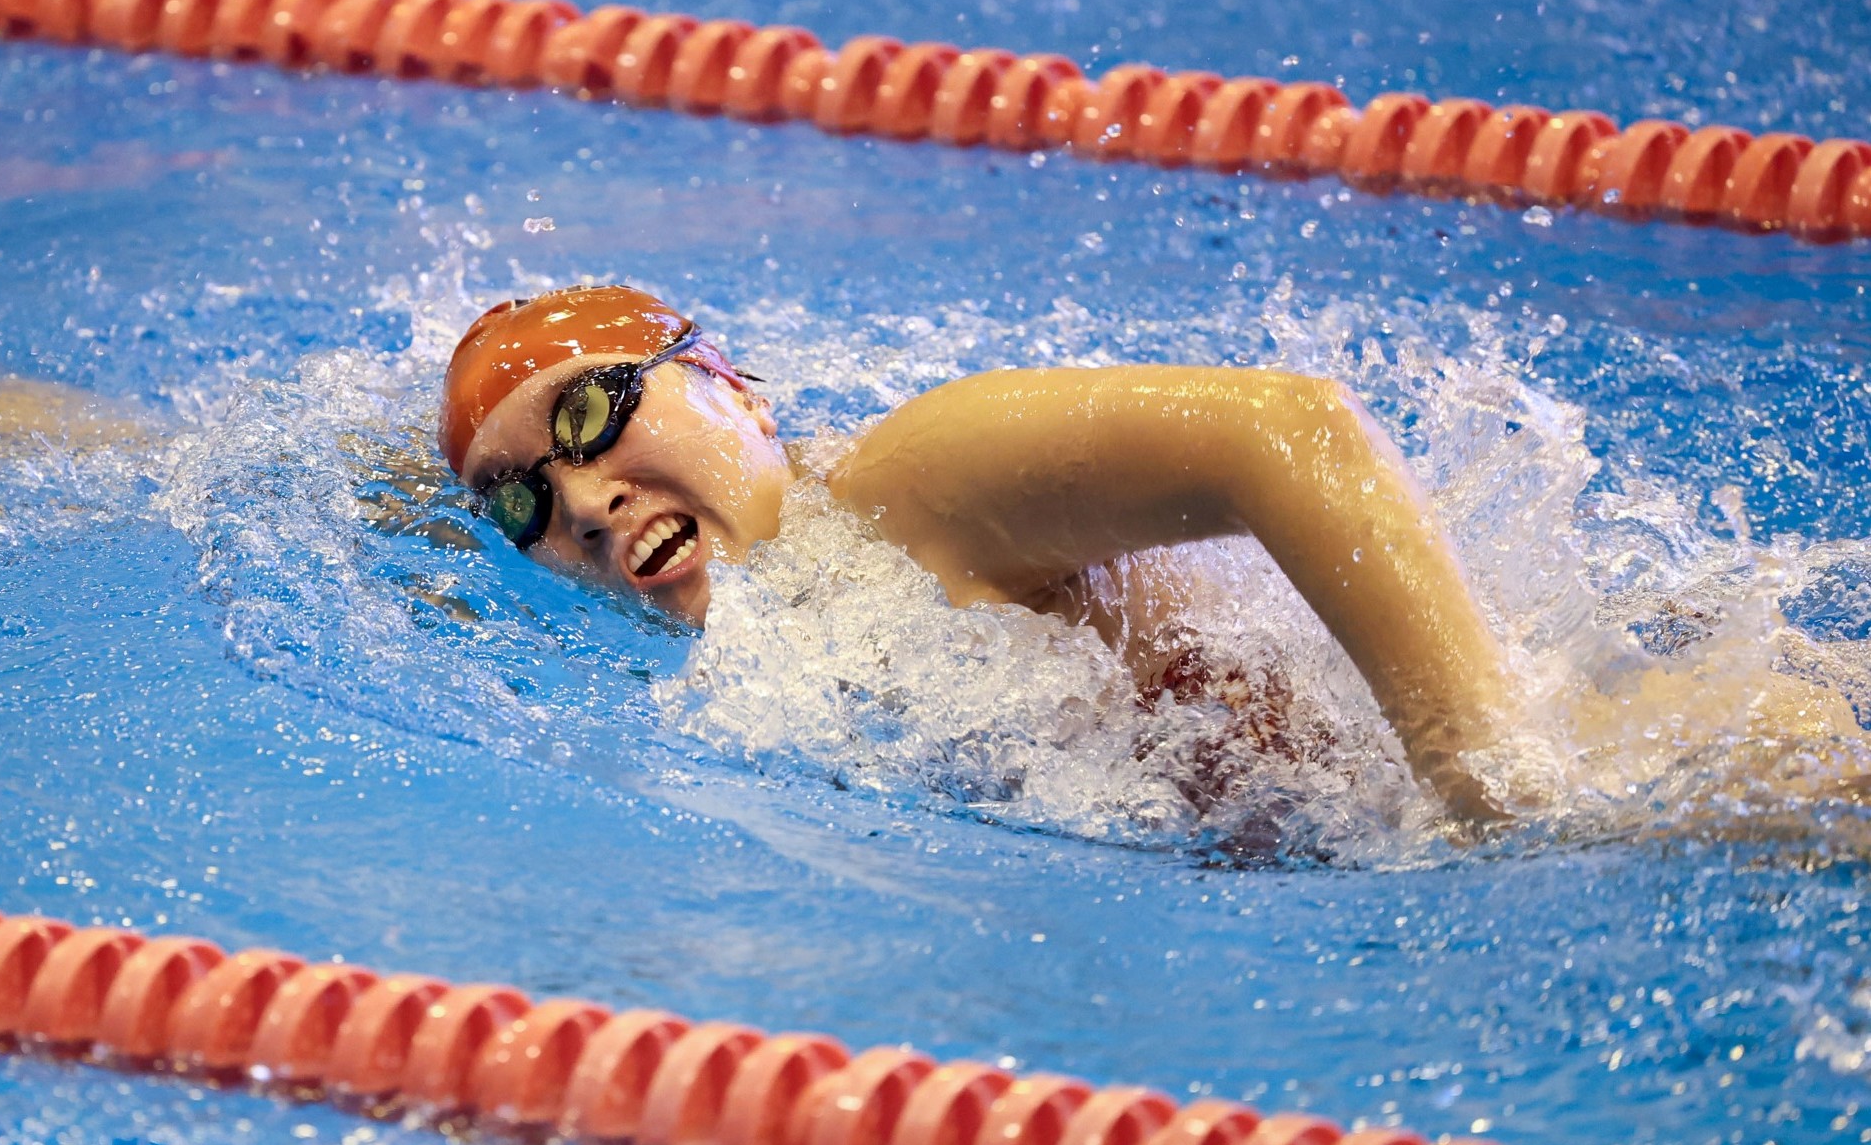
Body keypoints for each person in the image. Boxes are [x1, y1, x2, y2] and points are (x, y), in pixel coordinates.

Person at [443, 283, 1527, 822]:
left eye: (593, 410)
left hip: (1601, 789)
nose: (581, 501)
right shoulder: (778, 623)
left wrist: (1482, 777)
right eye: (518, 500)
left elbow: (1292, 433)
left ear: (733, 389)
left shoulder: (907, 492)